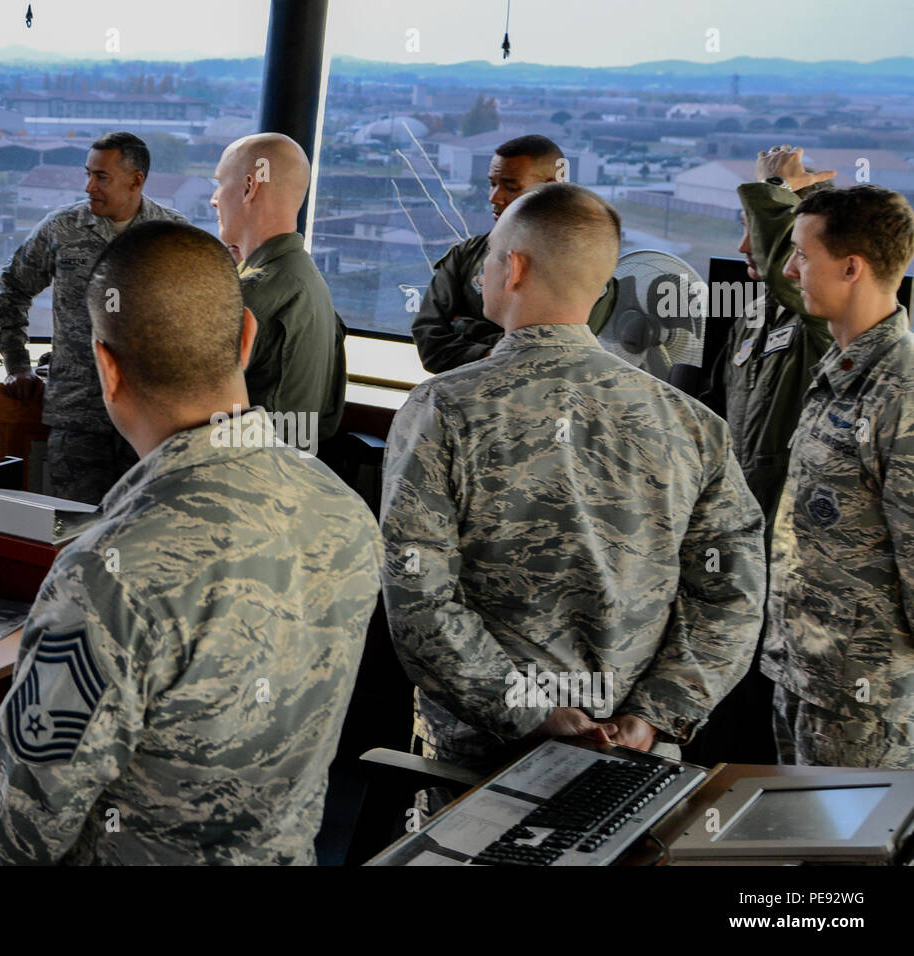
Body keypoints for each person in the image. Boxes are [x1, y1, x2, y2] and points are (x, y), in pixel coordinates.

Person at [0, 221, 383, 865]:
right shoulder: (342, 508)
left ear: (105, 365)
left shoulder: (111, 573)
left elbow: (14, 825)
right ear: (246, 338)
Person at [381, 183, 766, 776]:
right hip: (635, 752)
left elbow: (419, 597)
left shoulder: (443, 409)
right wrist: (654, 714)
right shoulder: (693, 425)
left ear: (513, 268)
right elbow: (731, 595)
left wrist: (529, 711)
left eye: (487, 260)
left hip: (483, 757)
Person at [690, 144, 835, 766]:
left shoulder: (816, 324)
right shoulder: (753, 317)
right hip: (734, 544)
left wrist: (775, 190)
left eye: (759, 236)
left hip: (786, 555)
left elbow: (791, 275)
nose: (745, 250)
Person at [760, 184, 914, 769]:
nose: (792, 268)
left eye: (801, 253)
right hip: (806, 674)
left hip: (866, 702)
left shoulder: (901, 391)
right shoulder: (841, 372)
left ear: (852, 268)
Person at [0, 131, 187, 504]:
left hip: (148, 418)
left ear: (136, 180)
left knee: (140, 527)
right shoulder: (63, 228)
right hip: (78, 416)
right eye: (88, 174)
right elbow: (11, 288)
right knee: (75, 526)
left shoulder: (171, 234)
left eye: (101, 177)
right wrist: (16, 362)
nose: (88, 186)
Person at [411, 135, 616, 374]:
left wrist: (466, 327)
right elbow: (430, 345)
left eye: (510, 187)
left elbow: (557, 353)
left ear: (549, 189)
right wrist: (499, 349)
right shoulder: (465, 256)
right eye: (492, 183)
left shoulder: (587, 268)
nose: (494, 197)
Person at [212, 132, 346, 451]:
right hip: (291, 474)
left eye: (219, 183)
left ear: (249, 188)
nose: (215, 198)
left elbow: (183, 410)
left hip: (240, 475)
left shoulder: (251, 295)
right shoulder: (307, 280)